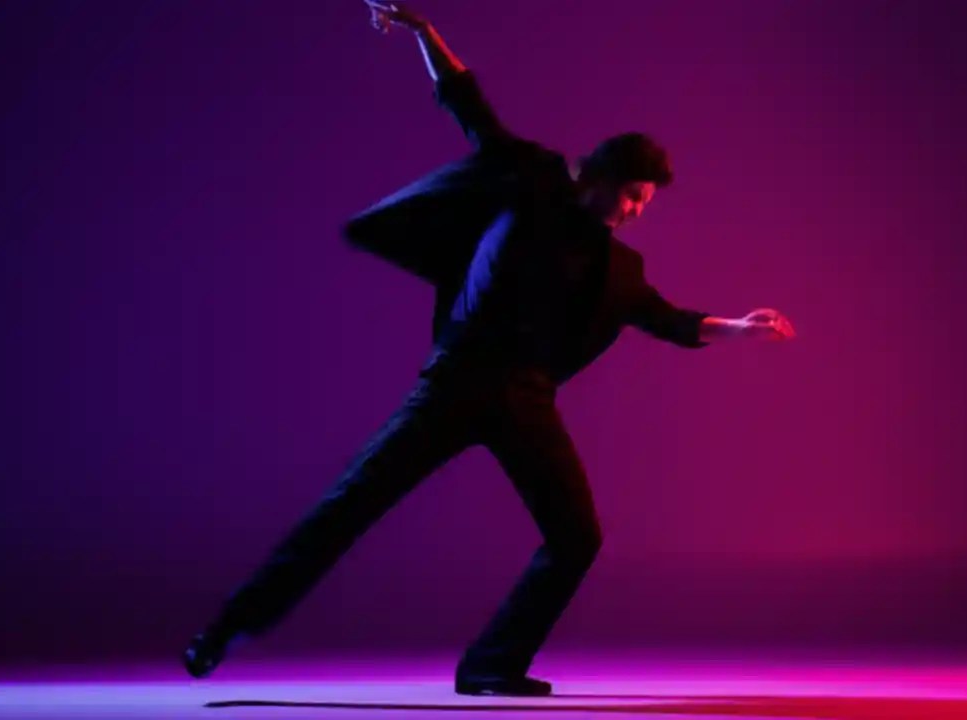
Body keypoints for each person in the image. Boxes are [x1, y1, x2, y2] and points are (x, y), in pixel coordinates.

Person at [182, 0, 796, 697]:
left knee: (576, 537)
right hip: (455, 383)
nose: (635, 210)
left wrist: (742, 328)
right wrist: (423, 29)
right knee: (346, 508)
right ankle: (222, 632)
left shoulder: (621, 274)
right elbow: (467, 102)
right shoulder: (532, 180)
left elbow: (674, 321)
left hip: (526, 401)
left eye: (645, 203)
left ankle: (490, 665)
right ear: (597, 176)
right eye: (630, 194)